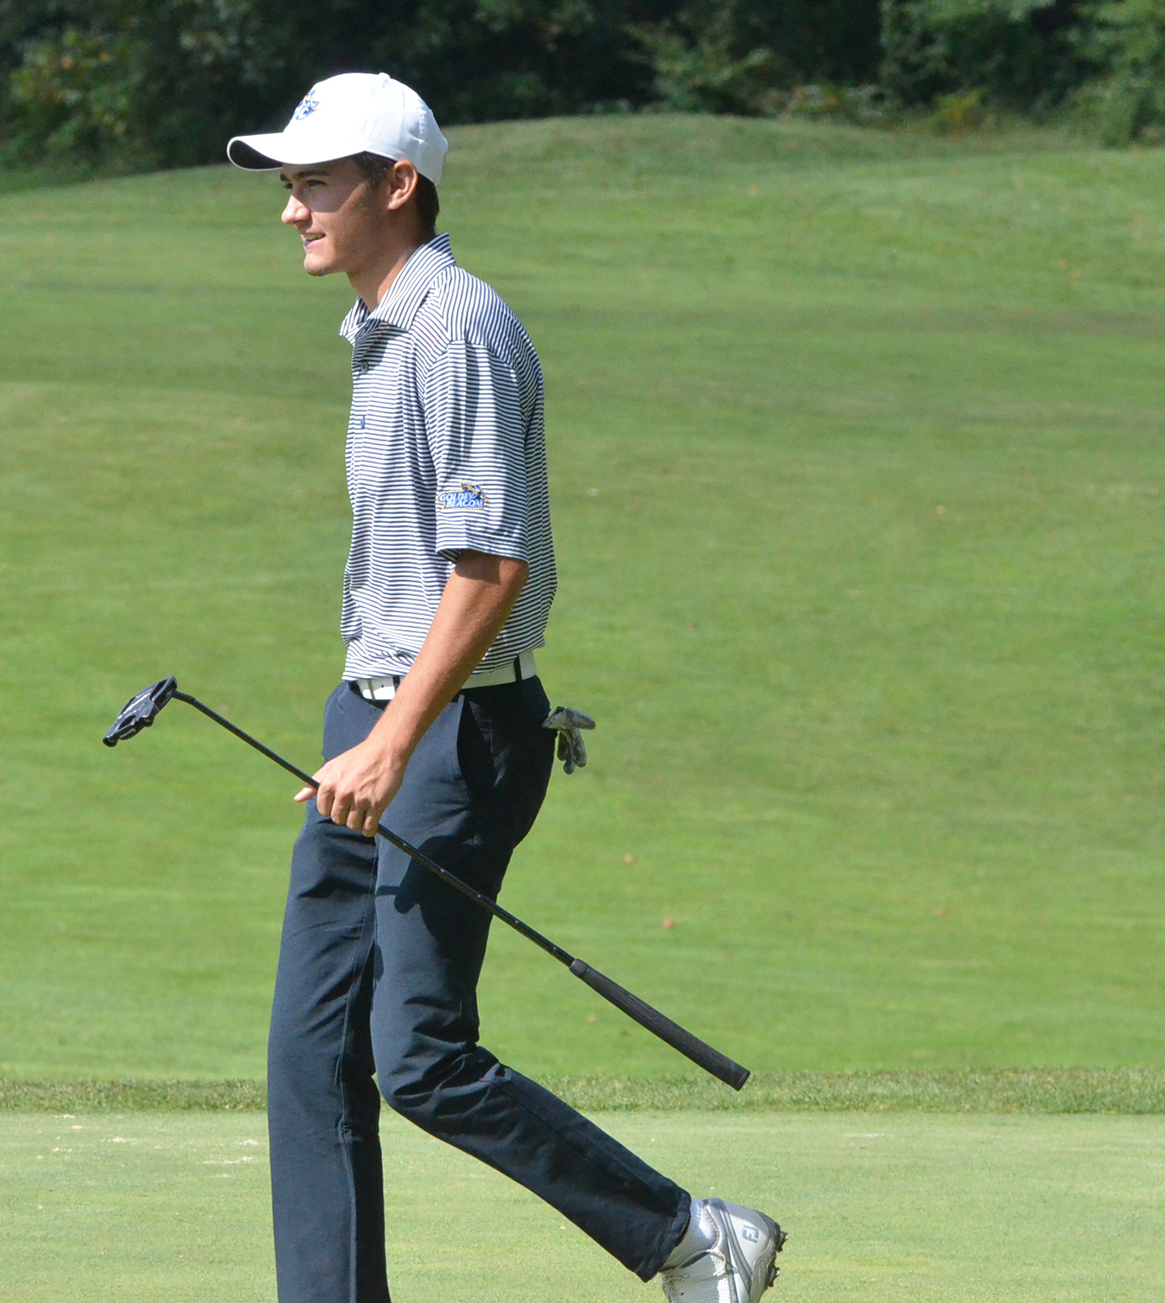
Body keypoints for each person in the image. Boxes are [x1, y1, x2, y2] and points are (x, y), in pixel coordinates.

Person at [226, 72, 785, 1303]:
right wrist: (364, 729)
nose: (290, 211)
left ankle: (690, 1235)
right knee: (309, 1052)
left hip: (453, 728)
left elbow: (490, 569)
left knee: (415, 1053)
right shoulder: (380, 328)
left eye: (314, 185)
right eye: (289, 186)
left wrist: (391, 742)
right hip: (373, 714)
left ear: (397, 185)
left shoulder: (454, 326)